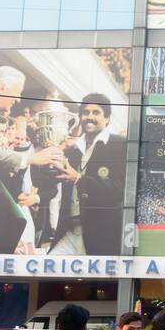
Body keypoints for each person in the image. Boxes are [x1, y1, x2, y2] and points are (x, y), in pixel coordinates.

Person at [49, 94, 126, 255]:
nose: (90, 117)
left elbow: (120, 189)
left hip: (100, 236)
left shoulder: (120, 145)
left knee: (95, 281)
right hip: (67, 233)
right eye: (86, 112)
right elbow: (48, 187)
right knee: (47, 276)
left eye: (96, 112)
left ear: (107, 118)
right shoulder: (70, 150)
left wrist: (79, 179)